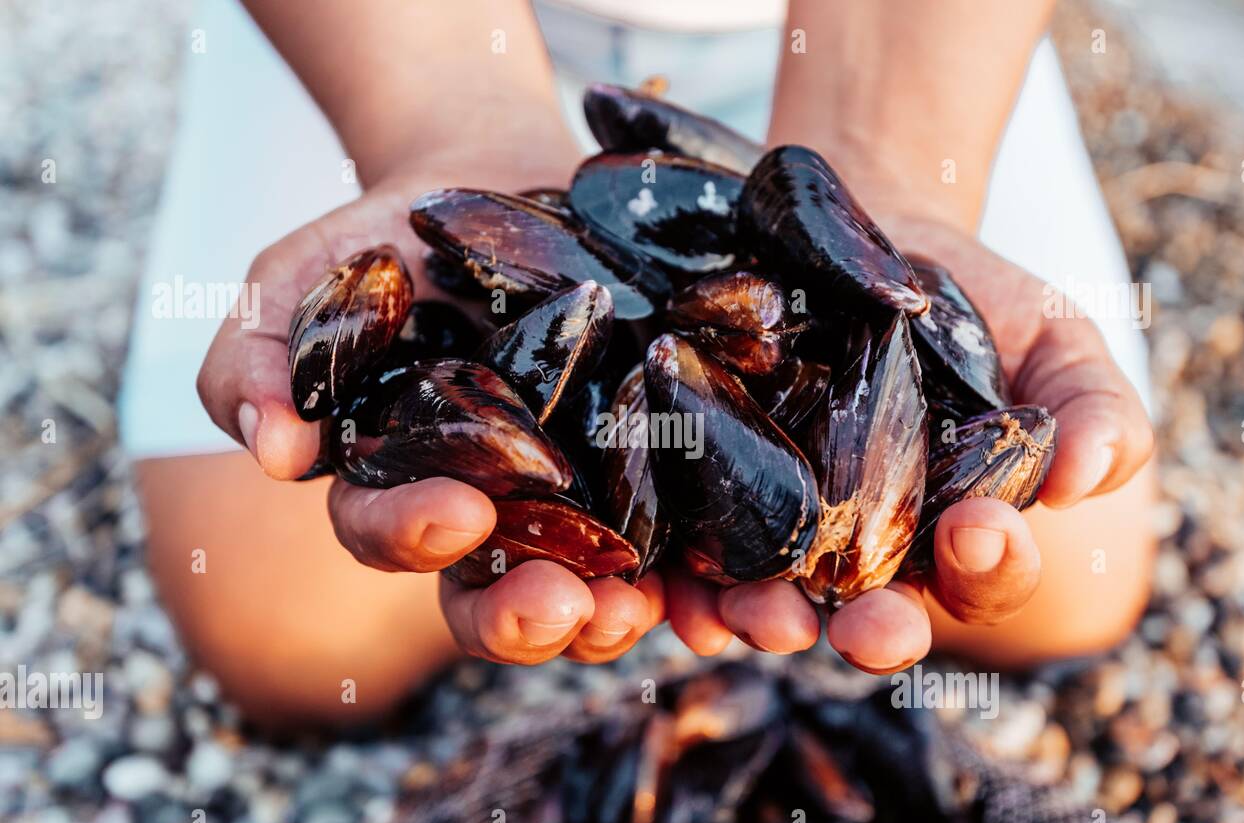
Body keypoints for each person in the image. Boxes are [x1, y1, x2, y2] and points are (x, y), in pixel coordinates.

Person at [123, 0, 1156, 726]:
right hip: (385, 39)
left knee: (1070, 588)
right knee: (288, 646)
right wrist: (440, 122)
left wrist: (881, 173)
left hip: (898, 45)